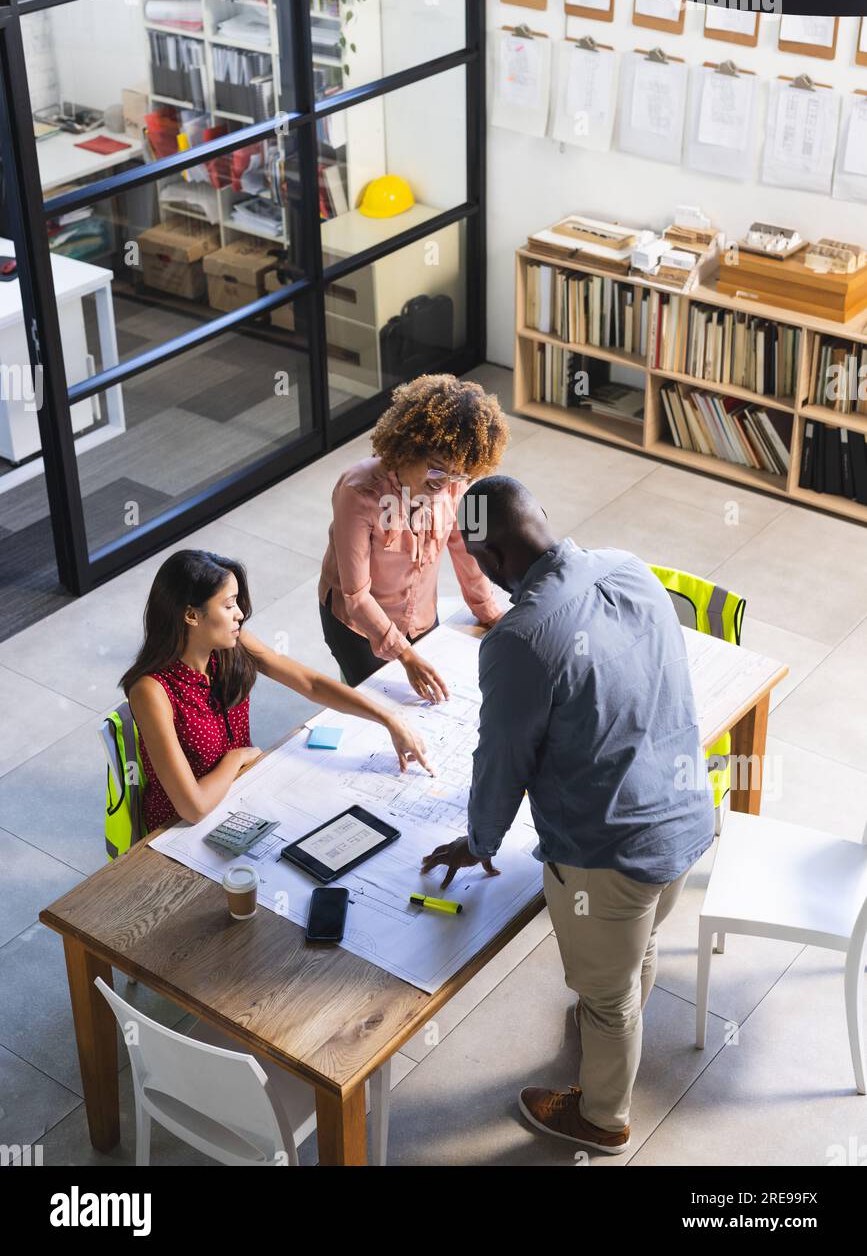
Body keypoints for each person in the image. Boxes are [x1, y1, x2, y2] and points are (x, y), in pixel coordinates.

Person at [421, 476, 715, 1156]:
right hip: (686, 816)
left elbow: (502, 760)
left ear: (489, 557)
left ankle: (601, 1120)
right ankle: (609, 1026)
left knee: (607, 998)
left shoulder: (519, 638)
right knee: (635, 950)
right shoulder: (629, 568)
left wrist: (478, 839)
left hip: (610, 853)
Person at [123, 549, 431, 834]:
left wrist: (388, 719)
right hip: (180, 832)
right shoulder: (151, 691)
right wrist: (237, 758)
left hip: (242, 794)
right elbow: (192, 807)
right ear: (191, 616)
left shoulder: (231, 645)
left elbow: (310, 684)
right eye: (229, 605)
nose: (239, 615)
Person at [318, 374, 509, 696]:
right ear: (409, 447)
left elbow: (467, 554)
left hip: (418, 616)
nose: (445, 483)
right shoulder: (358, 491)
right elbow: (356, 597)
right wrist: (406, 656)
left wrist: (490, 613)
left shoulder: (455, 485)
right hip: (357, 624)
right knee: (381, 707)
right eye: (436, 468)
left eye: (458, 473)